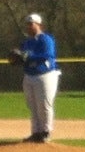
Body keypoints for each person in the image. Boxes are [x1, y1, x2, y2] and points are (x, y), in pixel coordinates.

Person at [14, 12, 59, 142]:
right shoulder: (26, 42)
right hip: (29, 76)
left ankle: (46, 132)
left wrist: (29, 57)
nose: (28, 26)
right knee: (32, 106)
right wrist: (17, 60)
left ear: (39, 25)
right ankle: (35, 132)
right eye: (27, 24)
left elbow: (48, 55)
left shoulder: (45, 39)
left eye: (31, 24)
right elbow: (23, 58)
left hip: (45, 75)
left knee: (44, 105)